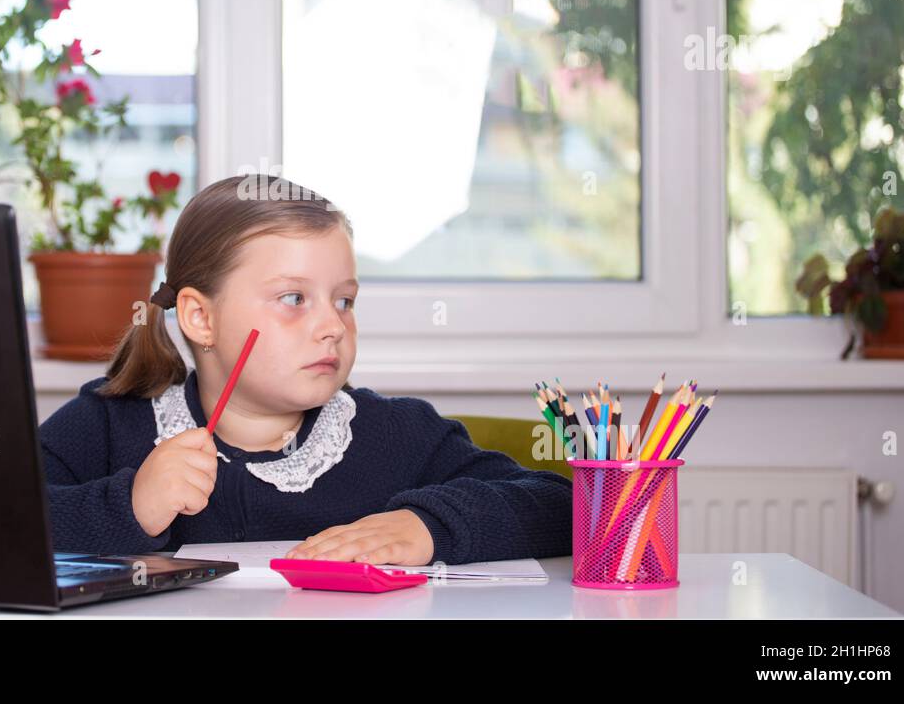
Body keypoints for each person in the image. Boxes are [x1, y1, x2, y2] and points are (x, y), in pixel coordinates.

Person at [39, 174, 572, 566]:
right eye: (294, 297)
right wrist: (130, 506)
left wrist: (429, 526)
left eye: (344, 301)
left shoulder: (395, 434)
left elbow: (562, 506)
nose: (333, 326)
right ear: (200, 317)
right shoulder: (109, 422)